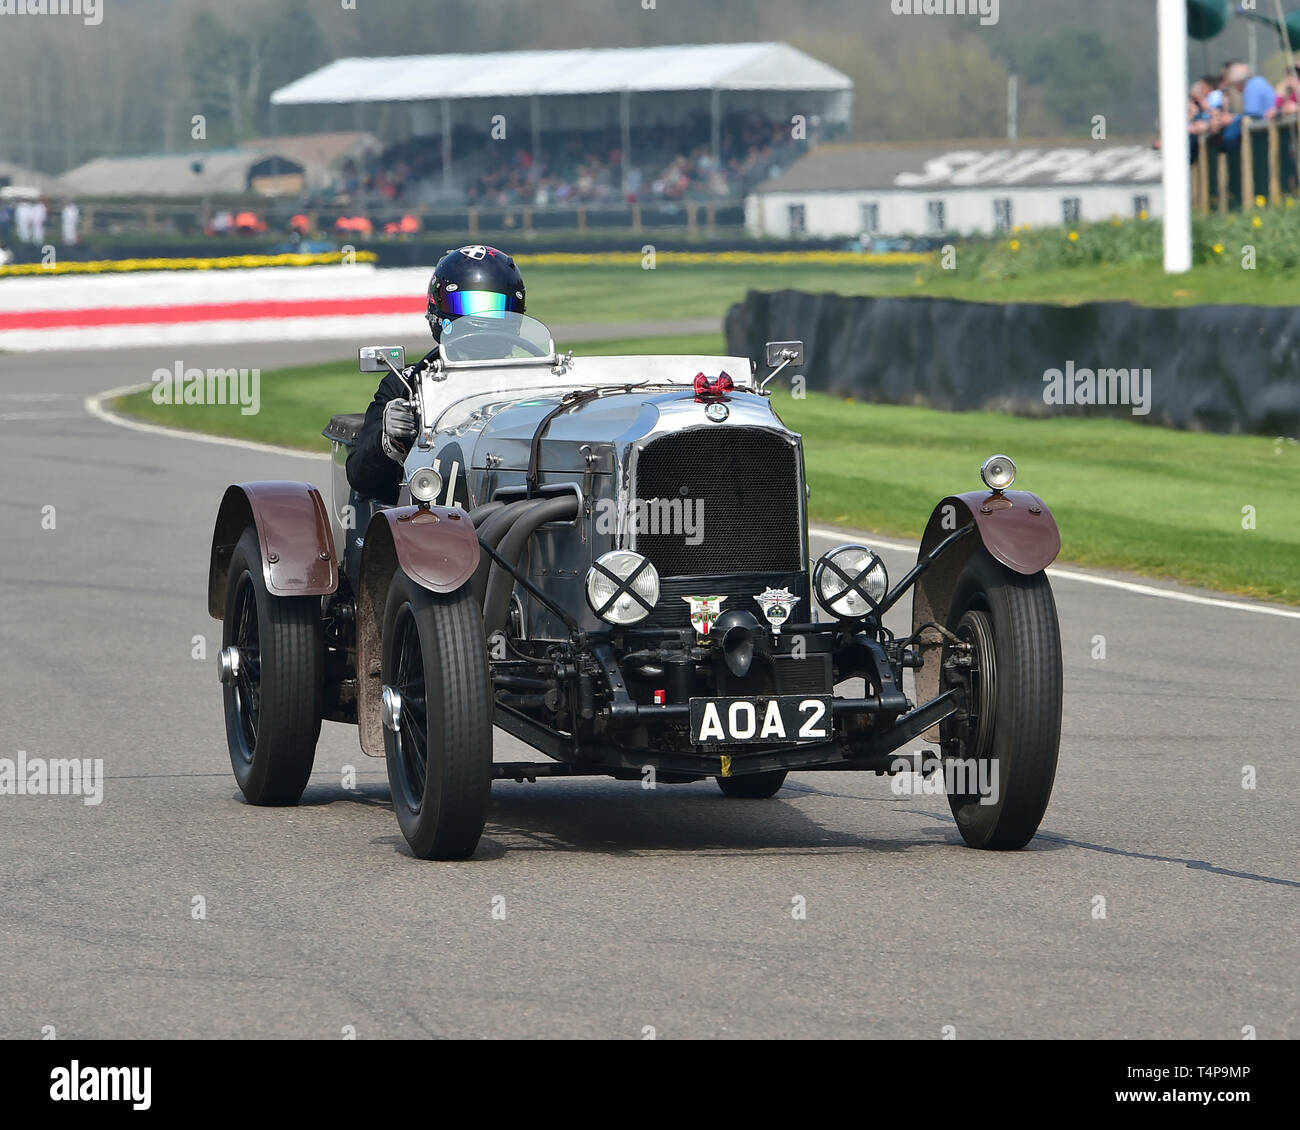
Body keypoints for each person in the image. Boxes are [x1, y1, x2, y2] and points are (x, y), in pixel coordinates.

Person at [346, 245, 527, 504]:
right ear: (439, 306)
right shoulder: (406, 383)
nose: (483, 316)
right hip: (427, 519)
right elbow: (360, 477)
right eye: (470, 304)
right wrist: (389, 440)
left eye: (497, 307)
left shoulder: (537, 379)